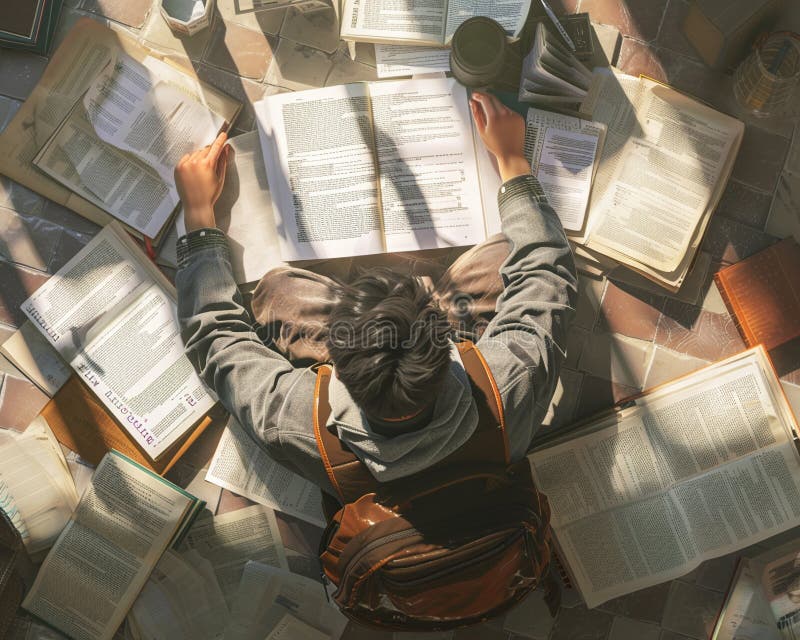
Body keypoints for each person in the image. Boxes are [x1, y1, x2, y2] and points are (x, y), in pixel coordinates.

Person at [174, 92, 577, 494]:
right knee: (510, 252)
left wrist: (198, 215)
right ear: (447, 343)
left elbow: (216, 343)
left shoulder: (296, 424)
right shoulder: (511, 383)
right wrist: (512, 162)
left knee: (279, 291)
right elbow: (547, 268)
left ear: (332, 358)